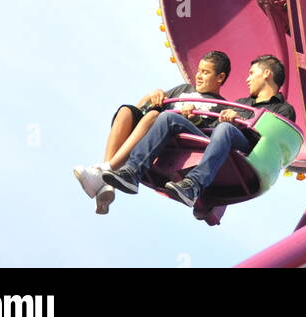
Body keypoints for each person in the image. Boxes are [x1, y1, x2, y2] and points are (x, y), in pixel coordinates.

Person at [101, 55, 296, 214]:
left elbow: (269, 141)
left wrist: (237, 122)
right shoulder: (241, 102)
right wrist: (205, 119)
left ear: (267, 74)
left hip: (248, 152)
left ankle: (193, 185)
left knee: (226, 129)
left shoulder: (283, 110)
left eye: (252, 73)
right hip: (218, 140)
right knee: (168, 117)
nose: (247, 78)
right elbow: (213, 126)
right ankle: (132, 172)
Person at [72, 51, 231, 216]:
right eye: (199, 70)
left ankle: (105, 170)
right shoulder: (183, 89)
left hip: (179, 140)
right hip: (153, 133)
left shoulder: (220, 106)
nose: (198, 76)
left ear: (219, 77)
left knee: (158, 116)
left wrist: (194, 118)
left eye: (205, 73)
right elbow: (140, 108)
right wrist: (152, 95)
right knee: (127, 111)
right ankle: (106, 181)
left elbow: (212, 136)